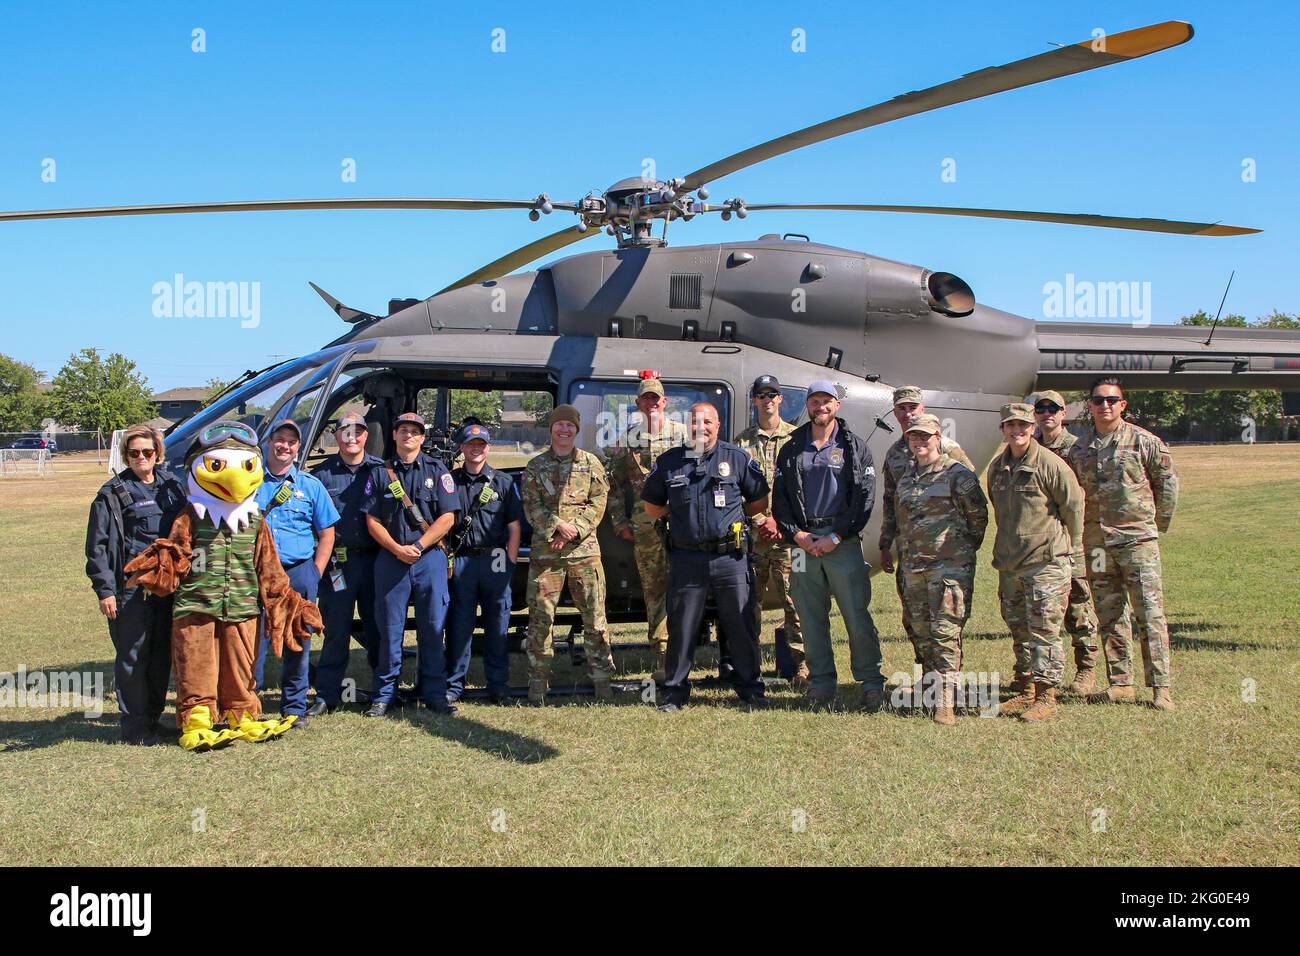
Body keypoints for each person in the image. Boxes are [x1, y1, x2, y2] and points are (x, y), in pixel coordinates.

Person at [641, 402, 770, 711]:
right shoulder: (670, 462)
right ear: (689, 425)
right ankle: (674, 693)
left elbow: (758, 500)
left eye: (708, 422)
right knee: (682, 628)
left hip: (731, 559)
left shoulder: (737, 458)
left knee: (741, 625)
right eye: (696, 422)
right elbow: (652, 507)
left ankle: (751, 689)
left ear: (718, 425)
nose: (702, 428)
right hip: (687, 559)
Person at [772, 380, 887, 710]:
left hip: (842, 543)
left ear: (837, 405)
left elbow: (865, 497)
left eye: (827, 401)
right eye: (815, 401)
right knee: (809, 617)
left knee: (856, 615)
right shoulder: (793, 447)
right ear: (807, 405)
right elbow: (780, 500)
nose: (820, 407)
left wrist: (836, 536)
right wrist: (798, 535)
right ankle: (822, 683)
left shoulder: (854, 446)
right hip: (803, 545)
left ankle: (870, 681)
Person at [1066, 377, 1179, 711]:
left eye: (1112, 400)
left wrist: (1153, 527)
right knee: (1109, 612)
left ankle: (1160, 687)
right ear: (1090, 405)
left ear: (1122, 404)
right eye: (1099, 400)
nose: (1105, 406)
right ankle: (1121, 683)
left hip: (1136, 542)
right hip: (1098, 545)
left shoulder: (1144, 441)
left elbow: (1167, 485)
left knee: (1150, 613)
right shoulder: (1080, 449)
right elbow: (1075, 496)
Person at [84, 424, 187, 744]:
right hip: (130, 589)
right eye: (134, 453)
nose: (141, 458)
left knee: (160, 656)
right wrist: (105, 591)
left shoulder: (172, 485)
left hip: (166, 586)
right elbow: (97, 547)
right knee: (132, 657)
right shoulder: (112, 494)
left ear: (158, 453)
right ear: (125, 455)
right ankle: (134, 727)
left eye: (148, 452)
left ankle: (153, 720)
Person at [987, 403, 1084, 722]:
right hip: (1011, 564)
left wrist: (1070, 548)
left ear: (1033, 428)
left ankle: (1046, 697)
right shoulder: (998, 467)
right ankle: (1027, 690)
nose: (1017, 431)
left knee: (1044, 630)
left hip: (1046, 562)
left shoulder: (1050, 464)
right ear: (1002, 429)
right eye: (1011, 425)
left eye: (1024, 425)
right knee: (1019, 628)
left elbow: (1073, 507)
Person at [361, 412, 460, 717]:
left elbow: (448, 517)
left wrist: (418, 545)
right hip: (391, 560)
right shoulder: (380, 473)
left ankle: (434, 693)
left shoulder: (437, 469)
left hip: (428, 559)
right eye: (403, 430)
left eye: (414, 431)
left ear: (421, 437)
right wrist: (395, 548)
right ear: (394, 435)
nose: (408, 435)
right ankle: (384, 695)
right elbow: (371, 519)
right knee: (389, 629)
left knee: (432, 627)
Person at [892, 413, 987, 725]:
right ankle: (930, 689)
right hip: (913, 568)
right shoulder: (907, 476)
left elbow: (978, 520)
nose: (919, 442)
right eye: (913, 437)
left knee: (945, 632)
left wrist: (957, 552)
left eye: (925, 436)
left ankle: (945, 701)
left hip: (948, 569)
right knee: (919, 631)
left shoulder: (957, 475)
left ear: (938, 438)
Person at [877, 385, 975, 676]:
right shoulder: (895, 455)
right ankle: (928, 677)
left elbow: (973, 501)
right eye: (902, 409)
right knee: (915, 619)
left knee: (945, 621)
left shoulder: (949, 449)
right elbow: (890, 501)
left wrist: (963, 545)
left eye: (913, 408)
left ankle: (946, 686)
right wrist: (885, 544)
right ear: (895, 413)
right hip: (910, 554)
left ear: (923, 408)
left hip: (947, 556)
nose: (908, 414)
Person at [520, 405, 615, 705]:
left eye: (570, 425)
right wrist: (557, 526)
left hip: (584, 555)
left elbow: (599, 502)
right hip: (547, 558)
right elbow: (531, 505)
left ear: (576, 429)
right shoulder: (535, 466)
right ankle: (537, 684)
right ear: (551, 428)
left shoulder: (591, 464)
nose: (564, 430)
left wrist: (575, 528)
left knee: (595, 619)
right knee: (540, 620)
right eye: (559, 424)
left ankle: (602, 682)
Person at [603, 372, 689, 681]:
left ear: (665, 402)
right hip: (645, 527)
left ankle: (684, 654)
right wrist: (619, 523)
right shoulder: (627, 439)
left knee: (685, 589)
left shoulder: (684, 436)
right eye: (646, 398)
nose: (651, 403)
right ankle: (663, 658)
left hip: (683, 525)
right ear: (638, 403)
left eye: (656, 398)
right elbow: (611, 485)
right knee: (654, 591)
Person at [252, 419, 339, 725]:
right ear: (269, 442)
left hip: (299, 573)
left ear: (298, 448)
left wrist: (315, 571)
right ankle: (248, 706)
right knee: (252, 644)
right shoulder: (249, 482)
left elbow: (327, 532)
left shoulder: (309, 486)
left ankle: (294, 708)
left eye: (291, 442)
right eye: (280, 440)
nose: (284, 446)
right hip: (257, 576)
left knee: (298, 642)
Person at [306, 412, 383, 715]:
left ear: (366, 436)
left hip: (375, 563)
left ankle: (382, 692)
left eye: (358, 431)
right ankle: (326, 695)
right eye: (345, 432)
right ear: (336, 437)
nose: (352, 437)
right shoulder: (320, 475)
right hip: (338, 565)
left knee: (378, 629)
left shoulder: (382, 471)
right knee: (336, 630)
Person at [734, 375, 807, 685]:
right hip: (755, 539)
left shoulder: (797, 439)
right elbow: (736, 489)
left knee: (797, 600)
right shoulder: (742, 442)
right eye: (761, 395)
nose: (767, 400)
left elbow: (802, 488)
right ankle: (748, 664)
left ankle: (803, 665)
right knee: (749, 603)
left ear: (781, 400)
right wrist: (758, 521)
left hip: (790, 539)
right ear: (754, 401)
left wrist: (780, 521)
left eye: (772, 394)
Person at [1029, 389, 1101, 694]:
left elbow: (1088, 497)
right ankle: (1038, 674)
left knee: (1078, 604)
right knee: (1042, 610)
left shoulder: (1077, 450)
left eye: (1053, 409)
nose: (1047, 413)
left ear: (1063, 413)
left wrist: (1080, 540)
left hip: (1073, 540)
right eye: (1041, 409)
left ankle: (1086, 667)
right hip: (1041, 543)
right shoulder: (1030, 449)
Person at [444, 423, 523, 705]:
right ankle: (454, 685)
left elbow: (514, 526)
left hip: (496, 562)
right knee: (458, 626)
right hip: (463, 561)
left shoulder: (503, 482)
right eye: (470, 444)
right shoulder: (449, 481)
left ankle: (498, 685)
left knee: (497, 626)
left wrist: (511, 562)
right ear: (462, 448)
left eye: (481, 444)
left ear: (488, 448)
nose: (475, 449)